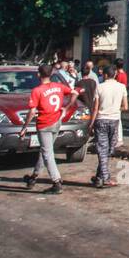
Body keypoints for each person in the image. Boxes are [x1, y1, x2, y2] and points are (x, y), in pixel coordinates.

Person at [23, 64, 77, 194]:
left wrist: (25, 126)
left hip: (44, 124)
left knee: (48, 153)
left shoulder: (37, 90)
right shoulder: (58, 87)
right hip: (56, 121)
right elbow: (74, 92)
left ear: (38, 74)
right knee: (46, 150)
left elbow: (31, 111)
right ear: (51, 74)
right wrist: (67, 107)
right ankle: (34, 177)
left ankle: (56, 181)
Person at [92, 65, 127, 187]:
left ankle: (103, 177)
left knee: (102, 149)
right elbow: (125, 107)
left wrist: (91, 123)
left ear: (105, 75)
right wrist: (115, 109)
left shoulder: (100, 87)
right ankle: (100, 176)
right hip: (115, 120)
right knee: (108, 150)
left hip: (101, 119)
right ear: (115, 74)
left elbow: (96, 107)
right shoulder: (122, 87)